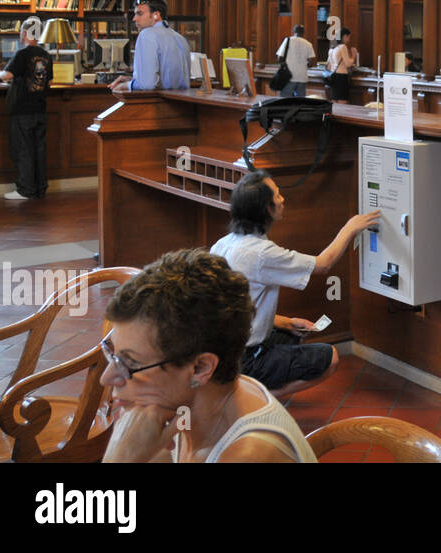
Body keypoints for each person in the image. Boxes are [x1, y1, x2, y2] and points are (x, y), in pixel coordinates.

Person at [100, 248, 318, 462]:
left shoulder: (248, 456)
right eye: (113, 354)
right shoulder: (186, 407)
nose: (106, 378)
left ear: (200, 369)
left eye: (130, 363)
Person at [210, 170, 380, 398]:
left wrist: (286, 322)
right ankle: (249, 397)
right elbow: (323, 265)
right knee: (330, 357)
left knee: (293, 334)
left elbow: (231, 309)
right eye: (277, 196)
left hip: (222, 351)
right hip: (244, 357)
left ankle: (243, 386)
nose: (283, 200)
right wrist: (350, 227)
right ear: (266, 210)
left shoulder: (223, 244)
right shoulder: (262, 253)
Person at [0, 19, 52, 200]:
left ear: (25, 33)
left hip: (22, 109)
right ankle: (40, 188)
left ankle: (25, 190)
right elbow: (48, 82)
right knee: (39, 150)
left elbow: (7, 75)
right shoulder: (46, 55)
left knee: (23, 149)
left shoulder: (22, 54)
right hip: (40, 108)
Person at [109, 0, 192, 92]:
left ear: (156, 15)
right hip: (180, 103)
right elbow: (167, 82)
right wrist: (133, 80)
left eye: (140, 14)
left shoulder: (147, 35)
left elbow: (147, 85)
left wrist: (126, 86)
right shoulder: (180, 38)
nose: (134, 19)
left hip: (156, 105)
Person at [275, 24, 316, 98]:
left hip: (289, 76)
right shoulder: (308, 44)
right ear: (304, 33)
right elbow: (310, 63)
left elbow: (279, 57)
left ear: (293, 31)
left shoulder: (288, 41)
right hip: (302, 77)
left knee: (285, 100)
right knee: (300, 102)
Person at [325, 28, 358, 102]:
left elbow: (329, 65)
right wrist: (353, 55)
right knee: (342, 102)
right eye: (349, 37)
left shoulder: (332, 48)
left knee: (334, 101)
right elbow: (348, 64)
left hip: (333, 76)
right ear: (344, 36)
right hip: (341, 77)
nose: (349, 40)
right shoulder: (343, 47)